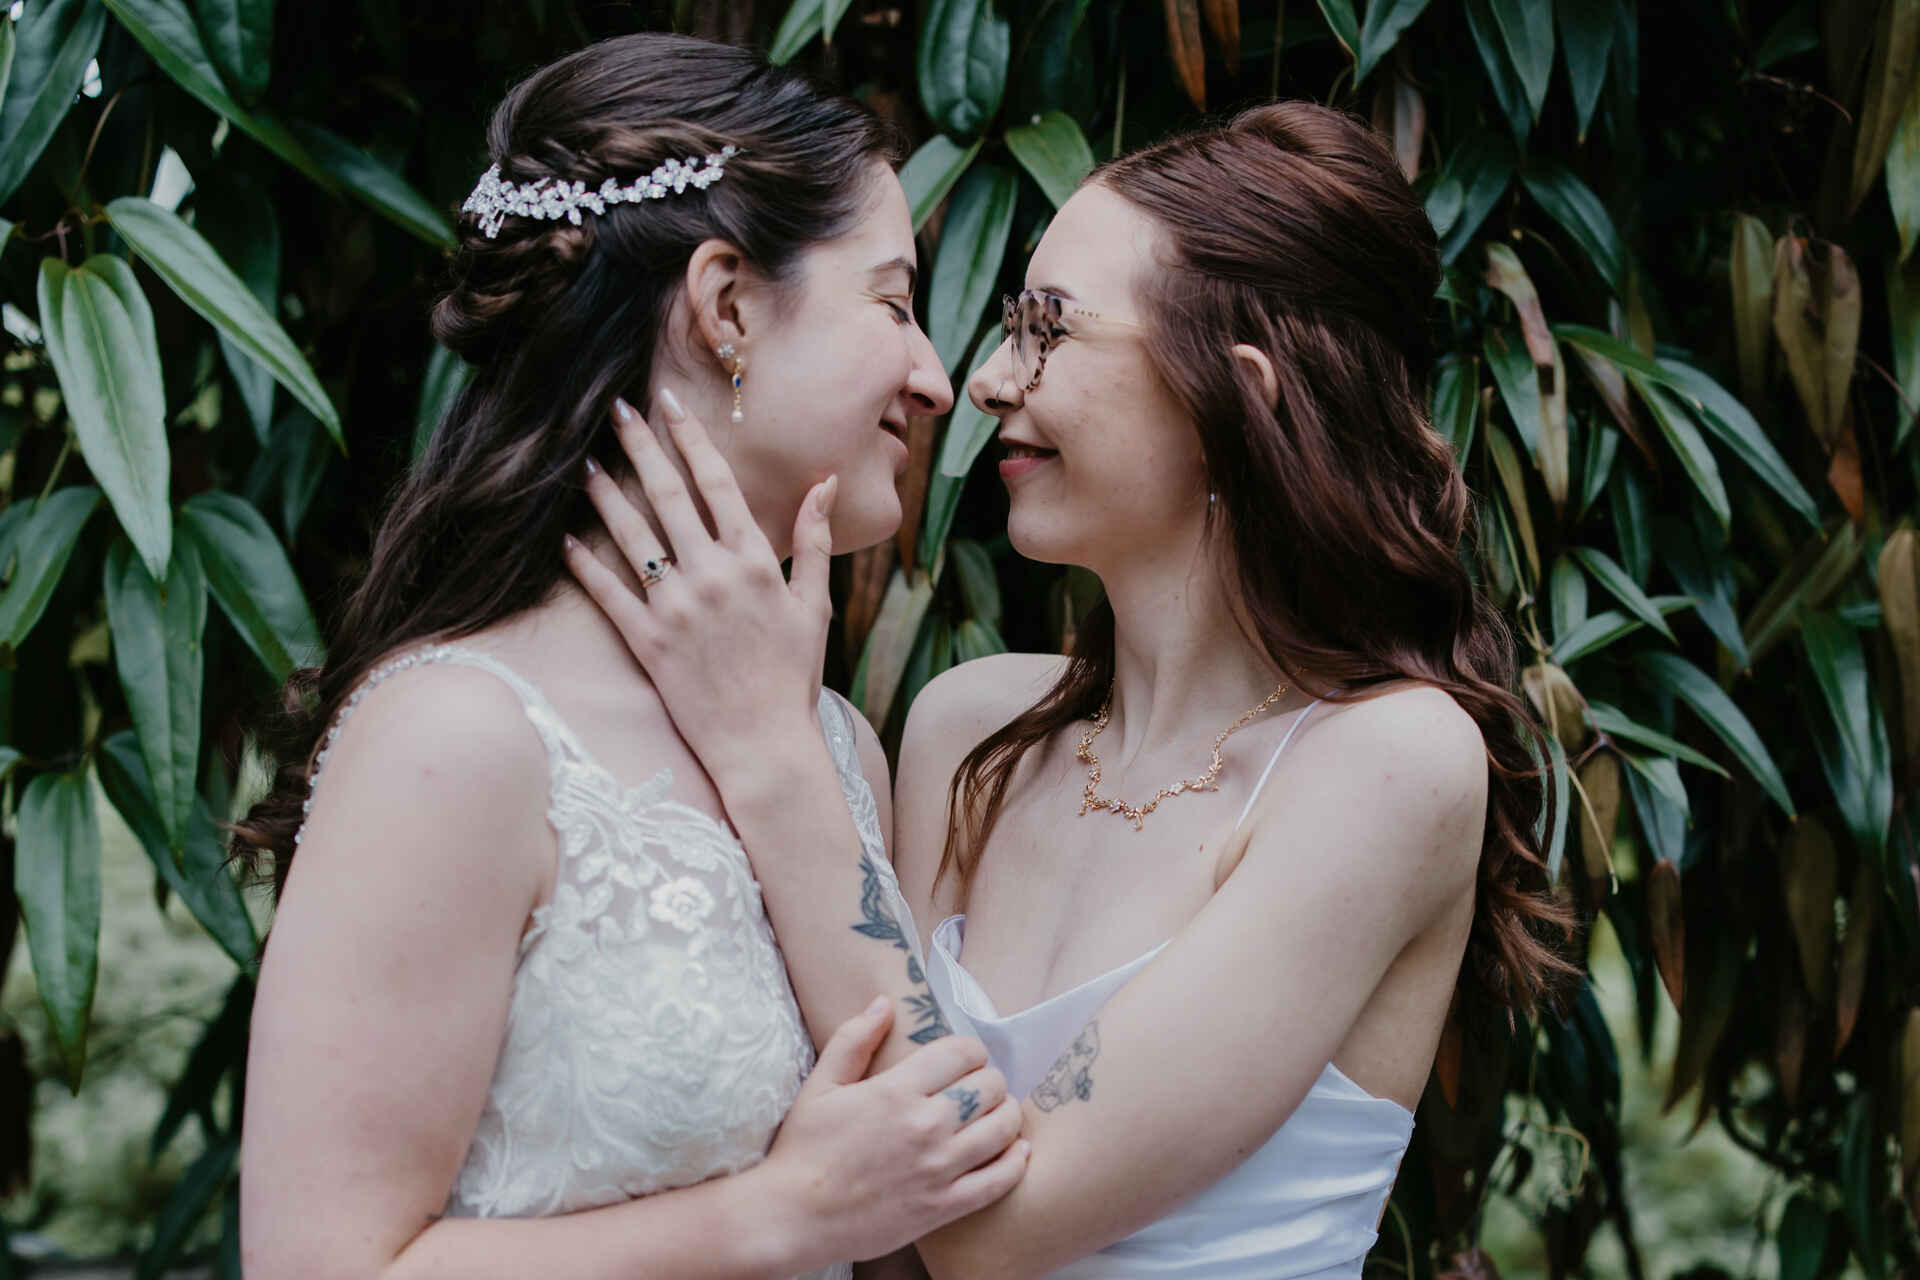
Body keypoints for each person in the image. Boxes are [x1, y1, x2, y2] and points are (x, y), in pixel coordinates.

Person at [565, 101, 1578, 1278]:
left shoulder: (1390, 763)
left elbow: (989, 1224)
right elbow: (881, 1241)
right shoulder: (969, 726)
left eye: (1045, 330)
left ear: (1235, 398)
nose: (986, 380)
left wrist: (772, 755)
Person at [232, 33, 1028, 1280]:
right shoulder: (457, 737)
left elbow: (946, 1184)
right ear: (724, 307)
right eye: (893, 301)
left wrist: (778, 761)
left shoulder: (835, 746)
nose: (934, 376)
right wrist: (784, 1212)